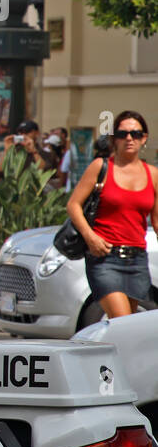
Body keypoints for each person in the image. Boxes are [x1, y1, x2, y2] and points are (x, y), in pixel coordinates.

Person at [67, 110, 158, 319]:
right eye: (122, 134)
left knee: (130, 326)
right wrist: (91, 237)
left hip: (137, 259)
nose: (129, 138)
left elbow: (156, 220)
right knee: (122, 320)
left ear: (143, 138)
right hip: (105, 257)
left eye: (135, 134)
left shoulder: (153, 174)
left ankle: (109, 351)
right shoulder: (101, 167)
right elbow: (73, 205)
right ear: (114, 138)